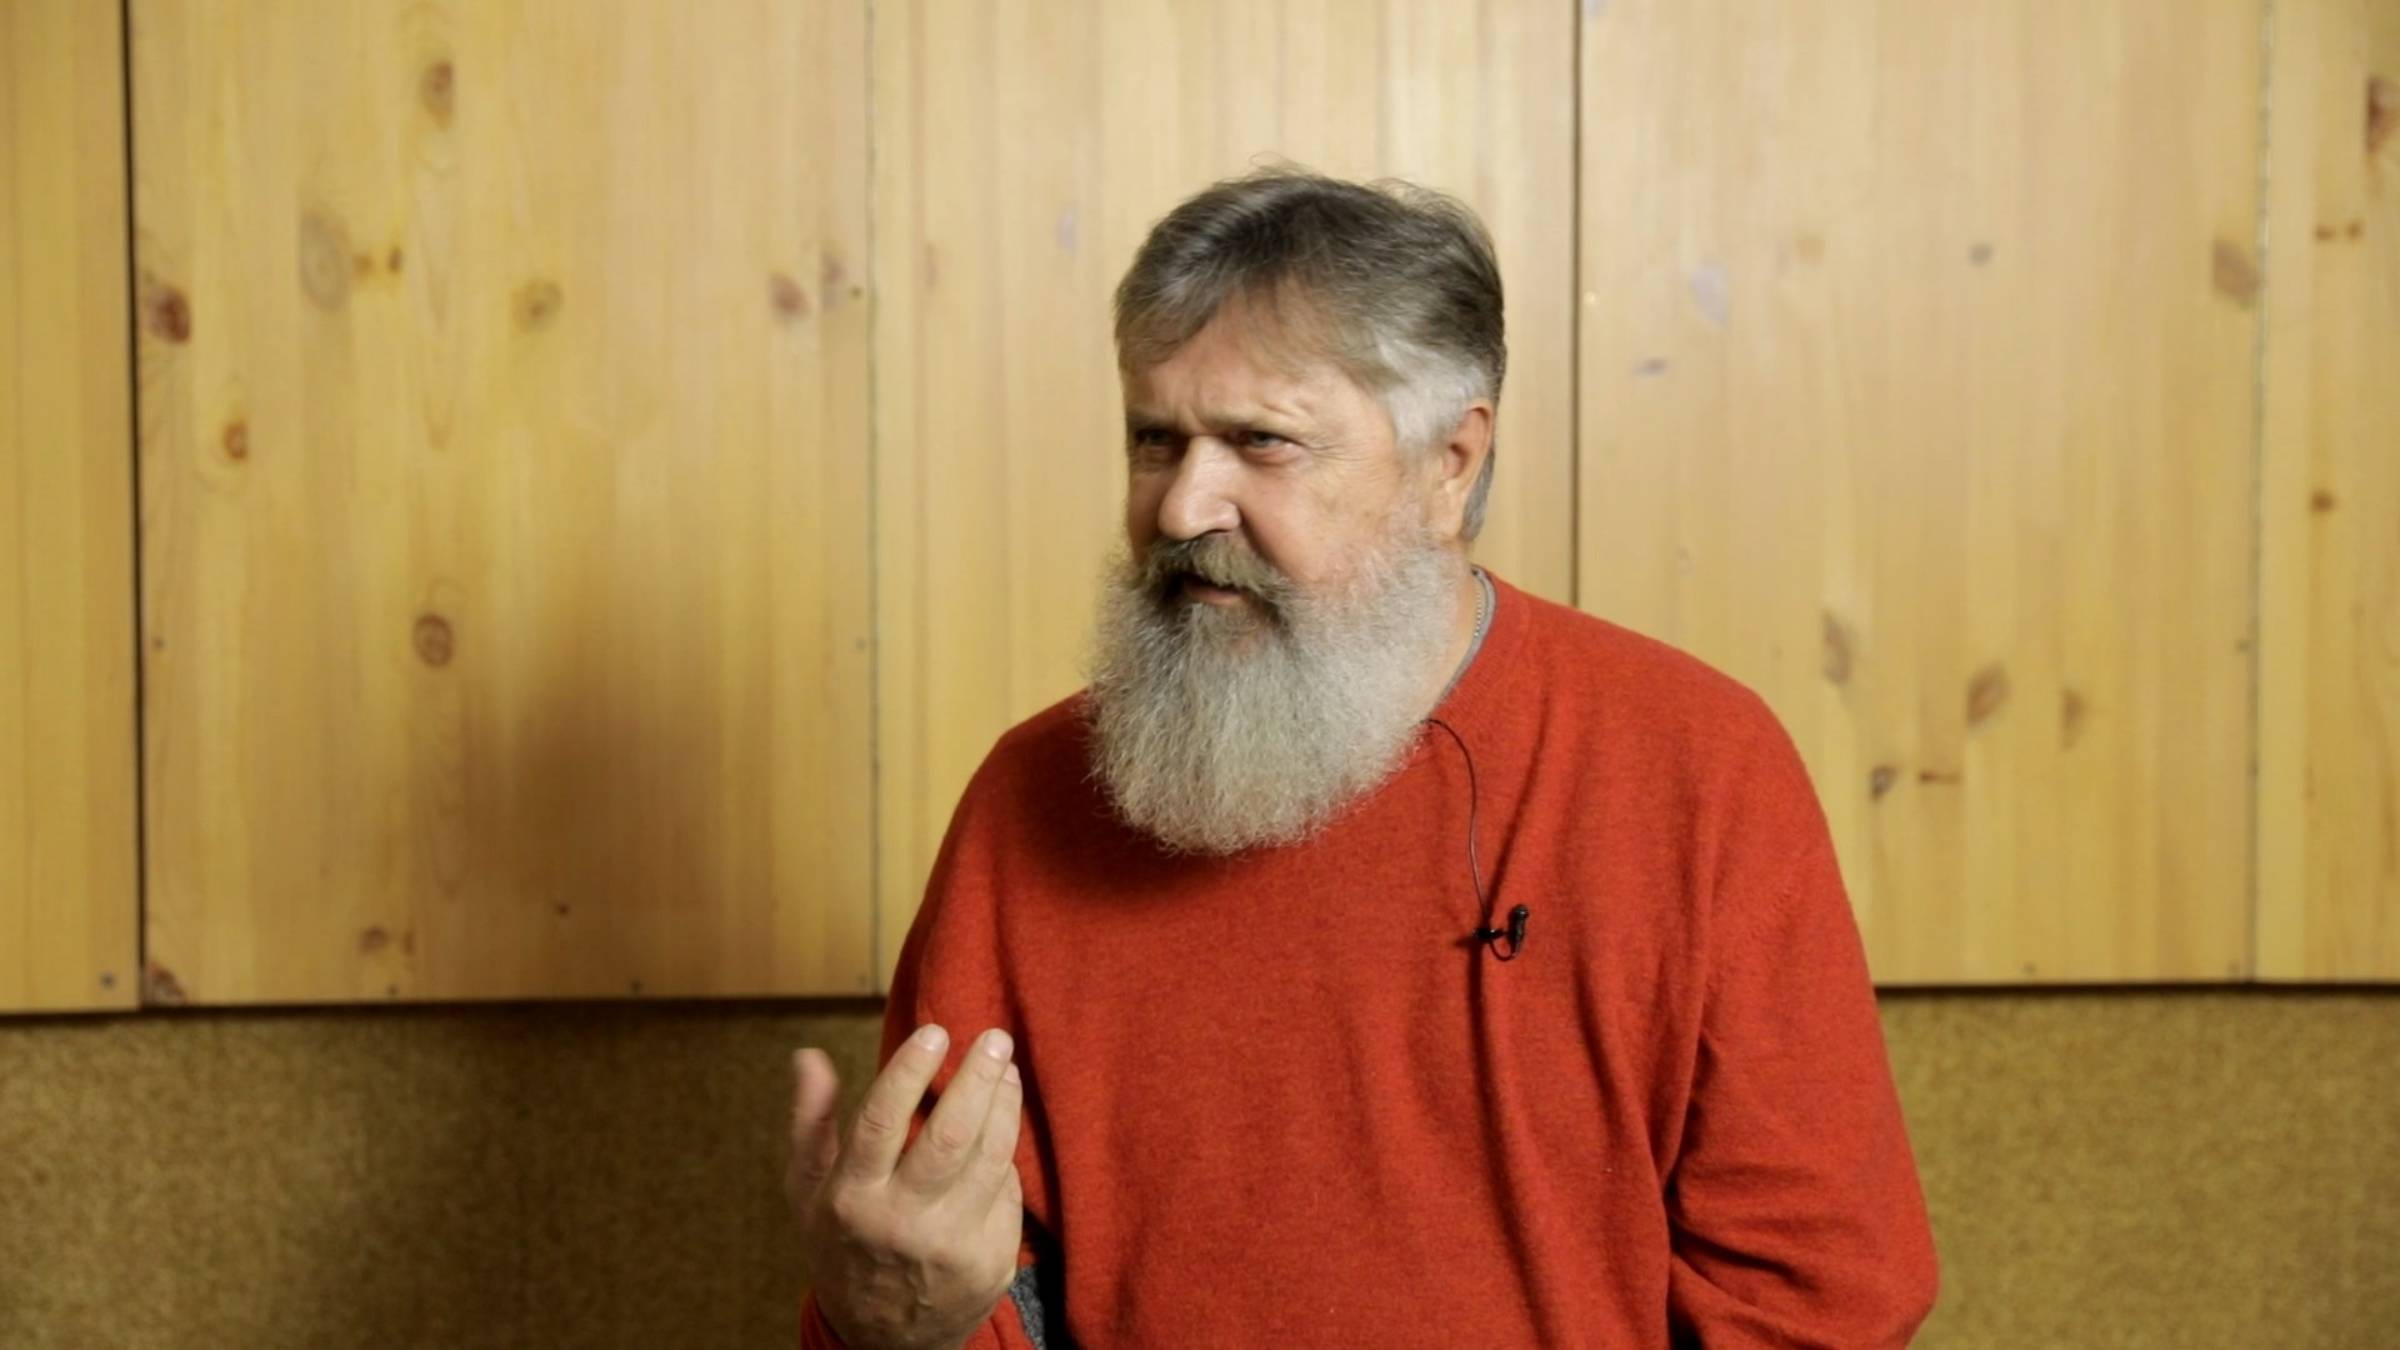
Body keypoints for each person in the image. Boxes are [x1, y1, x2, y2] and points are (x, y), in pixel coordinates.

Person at [785, 169, 1939, 1349]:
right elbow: (958, 1286)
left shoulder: (1697, 768)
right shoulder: (1031, 797)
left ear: (1451, 464)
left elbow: (1819, 1296)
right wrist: (893, 1329)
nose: (1182, 507)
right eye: (1155, 441)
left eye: (1262, 442)